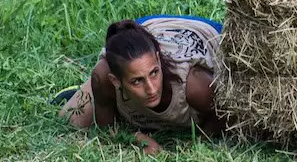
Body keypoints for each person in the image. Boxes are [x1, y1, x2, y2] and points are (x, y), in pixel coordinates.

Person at [55, 15, 223, 154]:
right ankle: (86, 90)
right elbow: (106, 130)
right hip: (140, 33)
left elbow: (224, 117)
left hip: (204, 31)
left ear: (158, 59)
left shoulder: (195, 86)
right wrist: (136, 138)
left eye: (154, 73)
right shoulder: (104, 77)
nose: (151, 89)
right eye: (137, 81)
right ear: (115, 81)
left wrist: (188, 149)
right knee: (70, 120)